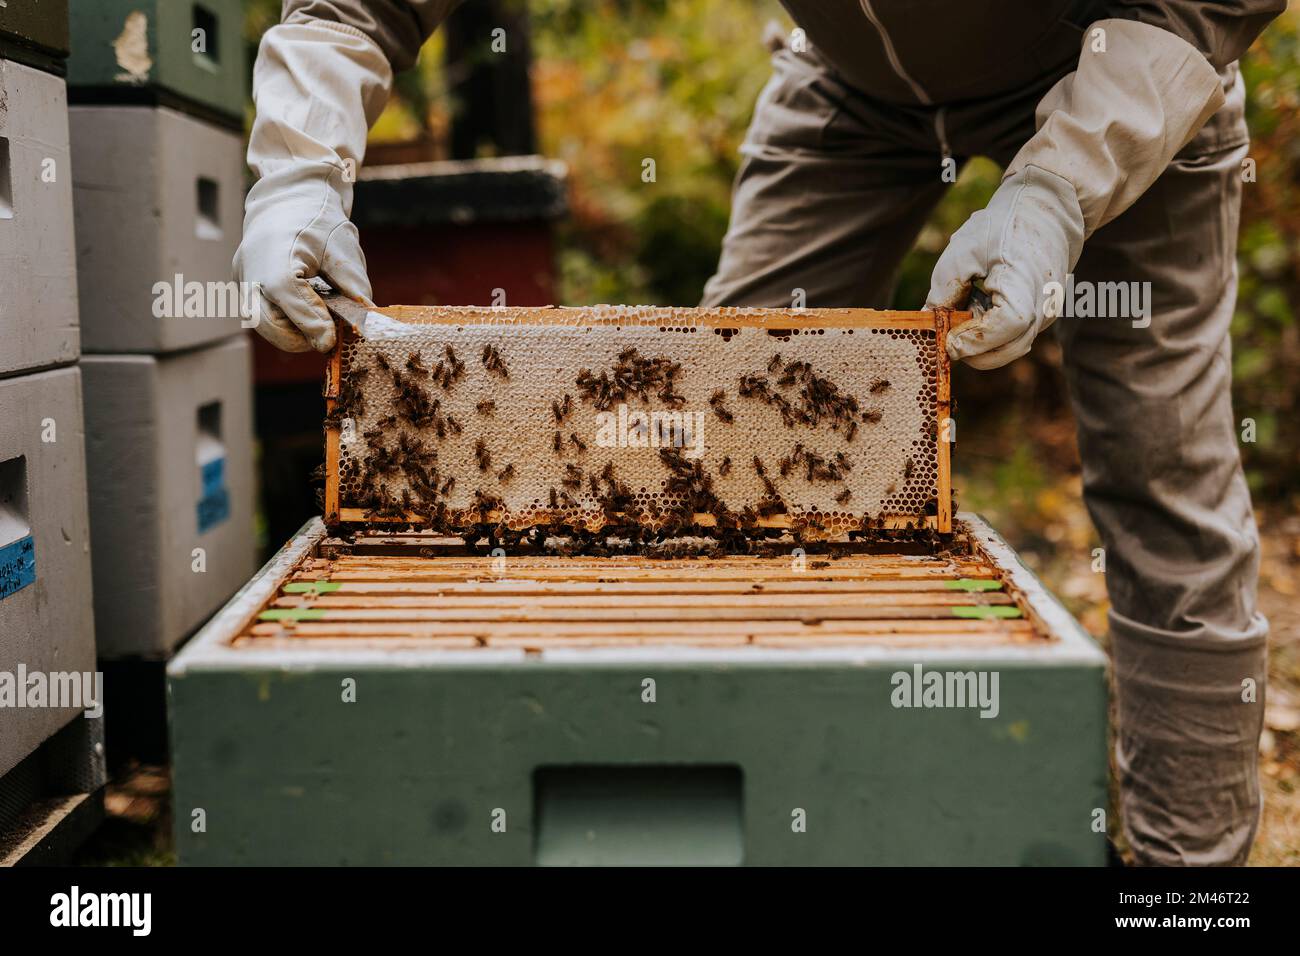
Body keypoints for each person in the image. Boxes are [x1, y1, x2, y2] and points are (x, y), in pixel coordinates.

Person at [235, 0, 1282, 866]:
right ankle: (738, 807)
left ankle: (1189, 877)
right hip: (851, 92)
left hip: (1128, 62)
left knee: (1161, 472)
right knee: (703, 465)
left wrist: (1055, 188)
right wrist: (296, 174)